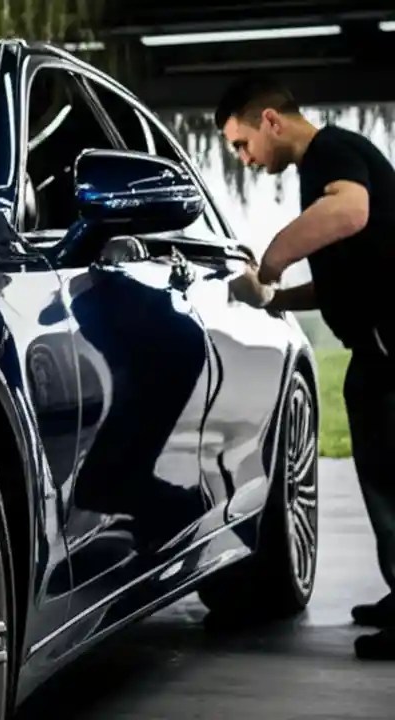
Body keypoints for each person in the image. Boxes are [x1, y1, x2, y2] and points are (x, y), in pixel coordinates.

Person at [215, 75, 395, 660]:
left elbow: (351, 212)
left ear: (269, 120)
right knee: (382, 475)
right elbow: (343, 278)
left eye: (241, 145)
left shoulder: (332, 152)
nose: (243, 160)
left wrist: (269, 263)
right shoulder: (322, 166)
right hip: (373, 350)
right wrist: (277, 299)